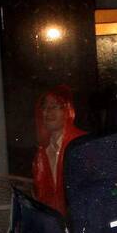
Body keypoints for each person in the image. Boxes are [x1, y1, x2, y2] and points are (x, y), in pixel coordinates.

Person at [32, 87, 86, 216]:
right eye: (44, 107)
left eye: (54, 106)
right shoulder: (42, 153)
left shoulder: (81, 144)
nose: (48, 111)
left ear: (67, 111)